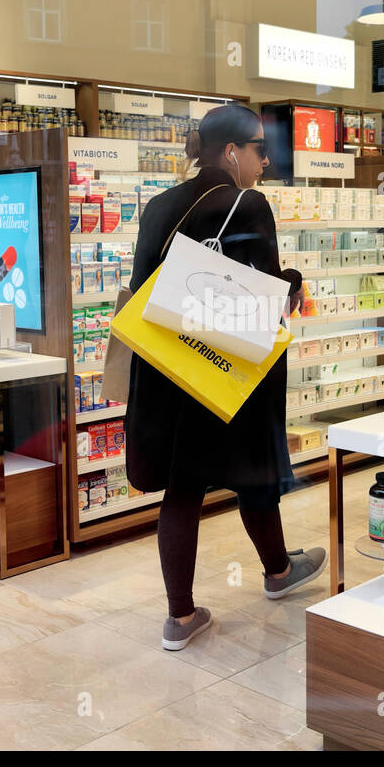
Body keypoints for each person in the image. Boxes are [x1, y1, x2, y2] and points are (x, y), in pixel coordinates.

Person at [125, 104, 326, 651]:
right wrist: (294, 280)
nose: (265, 160)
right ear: (231, 152)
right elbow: (265, 296)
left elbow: (144, 286)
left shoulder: (159, 205)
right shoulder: (248, 204)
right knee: (253, 472)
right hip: (226, 366)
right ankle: (279, 571)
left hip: (170, 369)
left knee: (183, 487)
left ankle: (180, 617)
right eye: (260, 150)